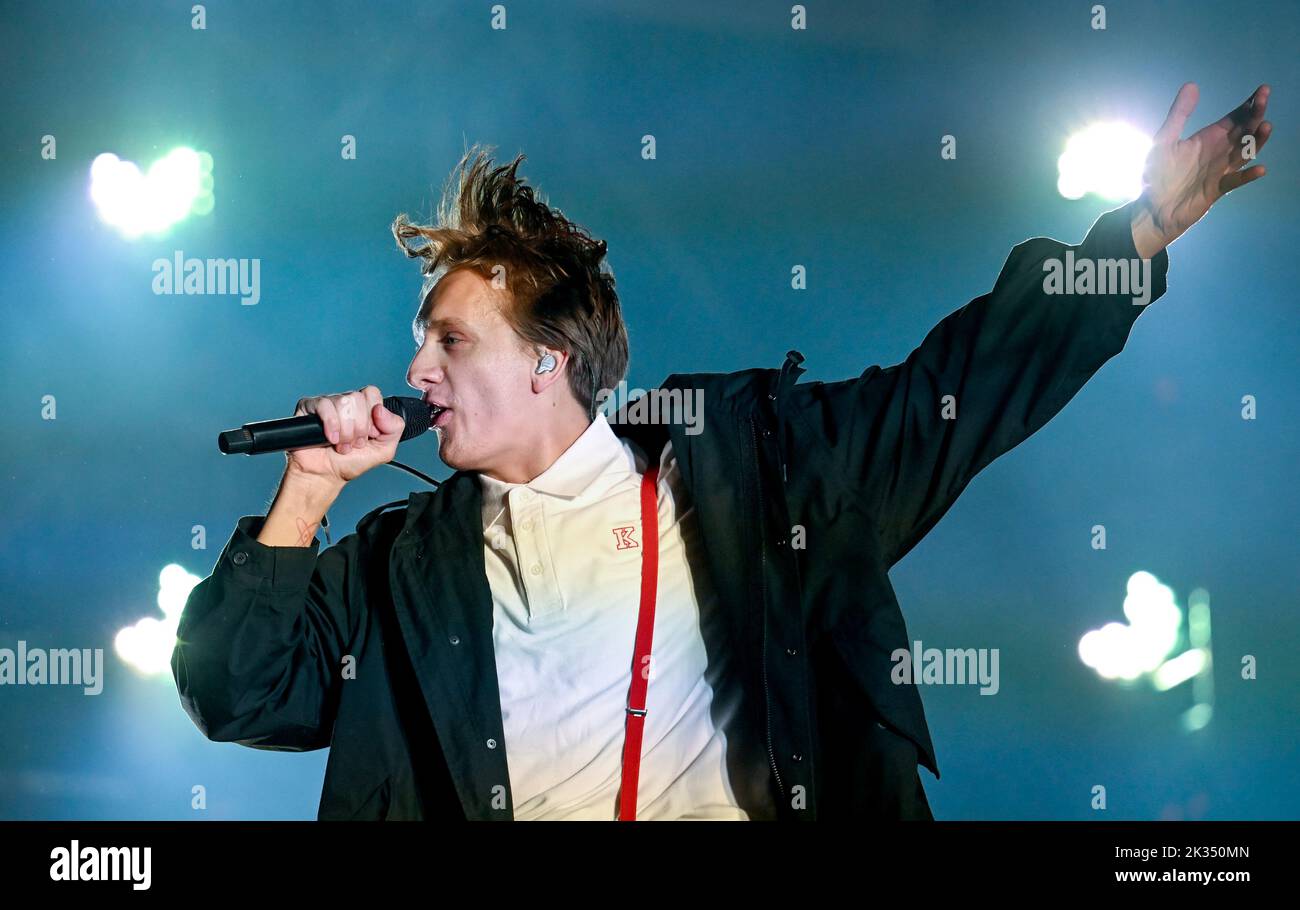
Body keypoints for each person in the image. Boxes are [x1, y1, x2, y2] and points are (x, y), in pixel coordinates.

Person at [172, 83, 1272, 820]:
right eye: (419, 346)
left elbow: (964, 385)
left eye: (450, 340)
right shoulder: (394, 571)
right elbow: (234, 688)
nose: (417, 373)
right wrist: (308, 485)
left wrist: (1135, 232)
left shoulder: (761, 468)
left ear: (551, 359)